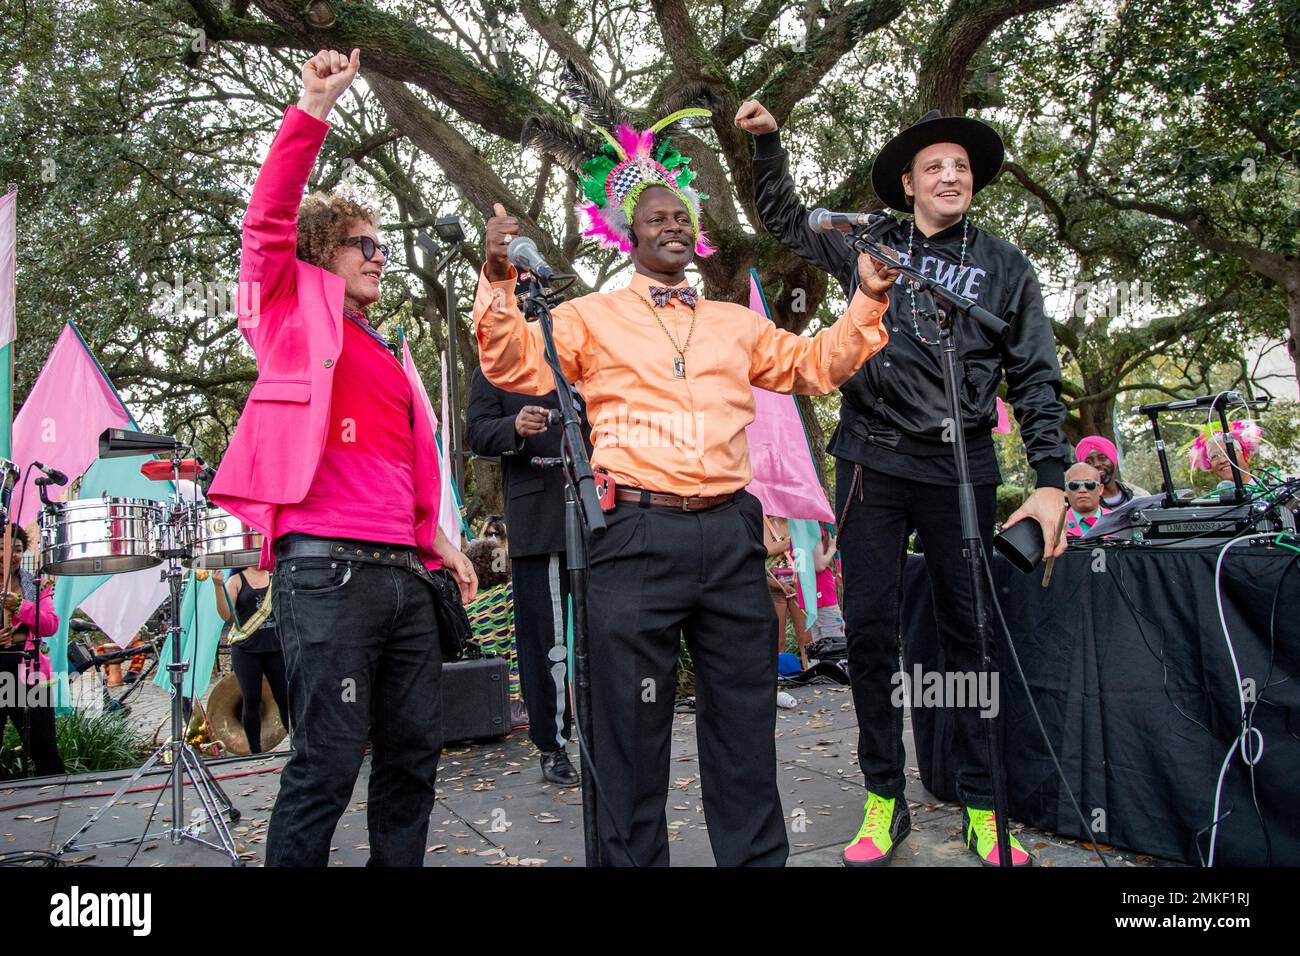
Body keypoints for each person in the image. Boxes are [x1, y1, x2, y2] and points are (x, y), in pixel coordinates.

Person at [478, 92, 896, 866]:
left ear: (696, 234)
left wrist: (869, 294)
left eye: (682, 218)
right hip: (632, 534)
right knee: (629, 731)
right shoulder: (586, 317)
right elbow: (508, 362)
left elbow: (815, 367)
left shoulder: (738, 321)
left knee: (744, 725)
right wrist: (499, 275)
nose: (672, 225)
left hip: (730, 532)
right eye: (655, 219)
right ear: (628, 235)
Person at [739, 100, 1071, 867]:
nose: (949, 174)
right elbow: (788, 219)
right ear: (909, 185)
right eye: (934, 167)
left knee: (974, 637)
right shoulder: (870, 241)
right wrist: (765, 145)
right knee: (872, 633)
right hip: (872, 461)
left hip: (963, 466)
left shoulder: (1005, 267)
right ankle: (883, 798)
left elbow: (1037, 380)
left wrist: (1050, 481)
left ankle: (985, 807)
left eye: (960, 166)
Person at [207, 49, 477, 867]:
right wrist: (312, 109)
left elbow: (411, 470)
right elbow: (263, 226)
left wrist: (443, 543)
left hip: (404, 576)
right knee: (325, 761)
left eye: (382, 244)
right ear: (321, 250)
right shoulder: (288, 316)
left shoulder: (391, 354)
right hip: (325, 574)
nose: (378, 254)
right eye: (361, 242)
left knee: (412, 760)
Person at [467, 367, 592, 786]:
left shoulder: (574, 353)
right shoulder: (494, 365)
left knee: (609, 634)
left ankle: (609, 736)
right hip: (538, 520)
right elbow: (477, 432)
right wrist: (515, 427)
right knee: (547, 642)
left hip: (598, 513)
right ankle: (553, 745)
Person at [0, 524, 63, 776]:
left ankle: (58, 802)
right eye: (3, 549)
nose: (10, 556)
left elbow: (49, 625)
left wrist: (20, 606)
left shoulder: (35, 584)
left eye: (17, 550)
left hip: (28, 671)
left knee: (43, 747)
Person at [211, 566, 289, 754]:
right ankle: (255, 750)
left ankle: (295, 744)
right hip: (246, 649)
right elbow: (225, 615)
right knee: (251, 699)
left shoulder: (275, 575)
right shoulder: (237, 580)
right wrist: (218, 586)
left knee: (284, 697)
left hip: (275, 647)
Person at [463, 538, 526, 727]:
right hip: (508, 691)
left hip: (478, 693)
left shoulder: (466, 604)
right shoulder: (509, 592)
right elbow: (517, 646)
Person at [763, 514, 811, 668]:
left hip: (797, 582)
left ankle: (808, 668)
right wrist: (788, 544)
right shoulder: (767, 523)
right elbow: (767, 549)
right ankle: (778, 676)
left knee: (805, 636)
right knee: (778, 638)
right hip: (775, 584)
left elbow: (805, 549)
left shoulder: (798, 523)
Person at [796, 526, 844, 648]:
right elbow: (819, 565)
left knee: (823, 649)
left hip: (811, 595)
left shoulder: (797, 529)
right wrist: (832, 548)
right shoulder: (811, 528)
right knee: (837, 647)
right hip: (822, 595)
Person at [1189, 421, 1264, 497]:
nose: (1222, 460)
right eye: (1214, 456)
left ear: (1246, 456)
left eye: (1229, 452)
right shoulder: (1211, 503)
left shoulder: (1270, 493)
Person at [1075, 435, 1148, 508]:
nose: (1096, 464)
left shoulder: (1140, 495)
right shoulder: (1080, 504)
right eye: (1089, 462)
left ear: (1113, 460)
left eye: (1102, 458)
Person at [1064, 462, 1109, 537]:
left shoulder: (1118, 520)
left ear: (1100, 489)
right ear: (1066, 490)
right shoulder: (1056, 525)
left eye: (1090, 484)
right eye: (1074, 485)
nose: (1082, 490)